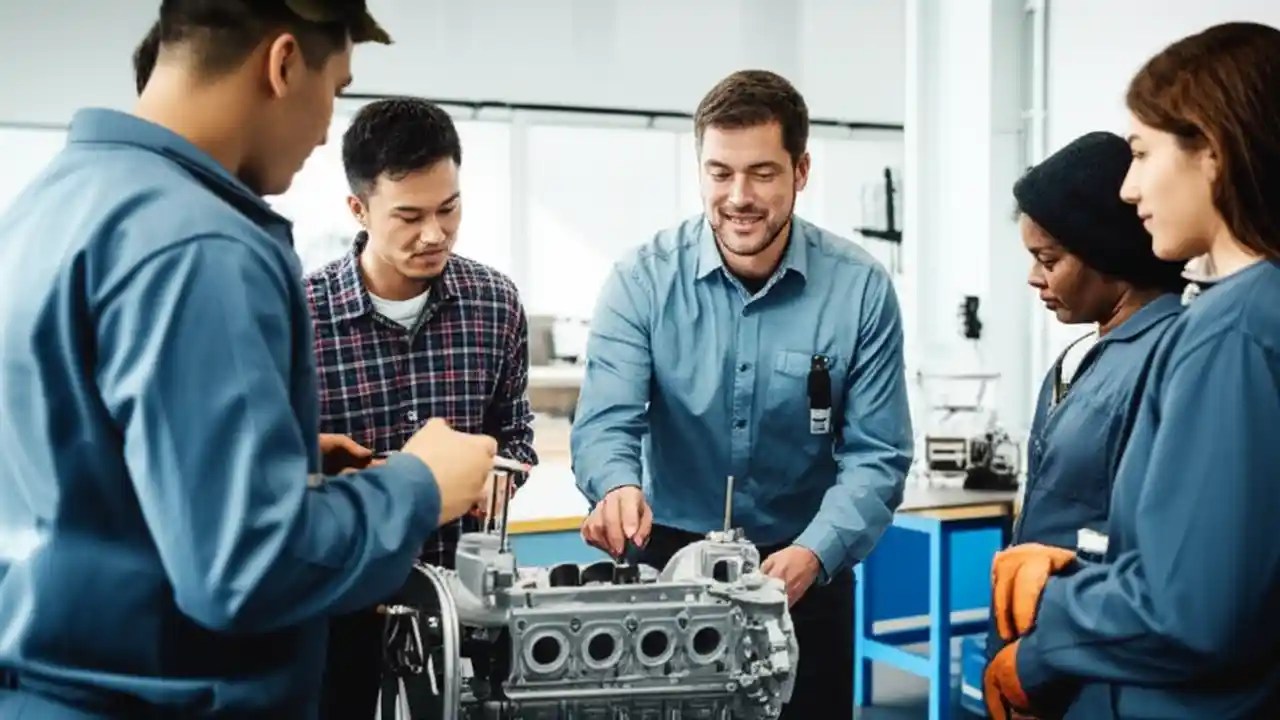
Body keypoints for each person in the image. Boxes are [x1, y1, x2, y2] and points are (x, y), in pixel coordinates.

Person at [0, 2, 498, 717]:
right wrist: (420, 486)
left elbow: (84, 474)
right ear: (284, 63)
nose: (327, 128)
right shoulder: (201, 243)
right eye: (334, 88)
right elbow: (246, 567)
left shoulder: (52, 203)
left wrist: (289, 460)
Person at [571, 69, 914, 719]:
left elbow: (878, 453)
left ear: (801, 170)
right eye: (719, 172)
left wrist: (816, 552)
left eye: (761, 172)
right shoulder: (641, 281)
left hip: (803, 567)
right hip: (667, 561)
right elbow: (608, 419)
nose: (738, 196)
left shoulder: (860, 290)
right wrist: (614, 486)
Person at [985, 21, 1280, 720]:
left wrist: (1047, 633)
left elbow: (1189, 609)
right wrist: (1081, 572)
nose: (1128, 187)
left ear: (1210, 152)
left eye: (1142, 154)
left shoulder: (1229, 333)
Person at [306, 97, 537, 718]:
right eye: (408, 215)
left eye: (449, 207)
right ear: (358, 208)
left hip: (464, 608)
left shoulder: (495, 304)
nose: (434, 233)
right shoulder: (300, 317)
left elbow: (515, 435)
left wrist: (499, 476)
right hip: (338, 609)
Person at [981, 131, 1187, 699]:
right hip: (1038, 640)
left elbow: (1150, 554)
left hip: (1096, 664)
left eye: (1048, 259)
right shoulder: (1079, 357)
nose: (1033, 277)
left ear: (1109, 255)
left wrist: (1046, 658)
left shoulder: (1170, 358)